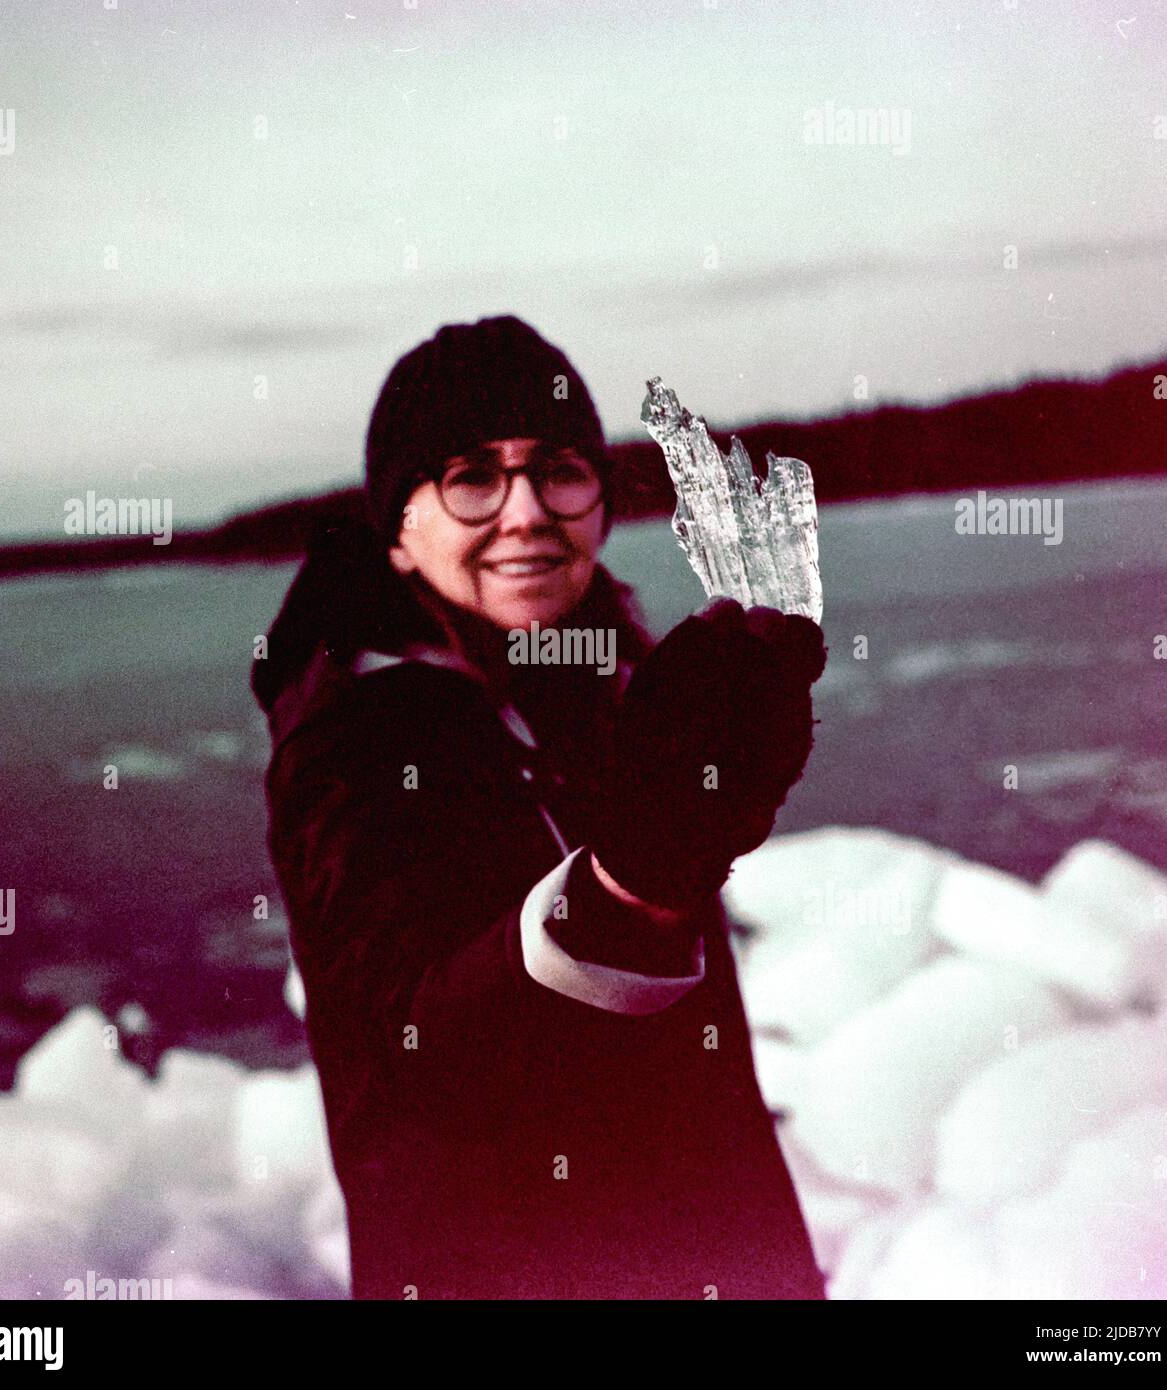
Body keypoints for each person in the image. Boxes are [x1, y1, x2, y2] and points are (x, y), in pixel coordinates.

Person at [251, 314, 830, 1300]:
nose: (526, 512)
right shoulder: (356, 742)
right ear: (398, 531)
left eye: (559, 469)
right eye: (473, 476)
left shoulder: (615, 692)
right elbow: (416, 1043)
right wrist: (629, 886)